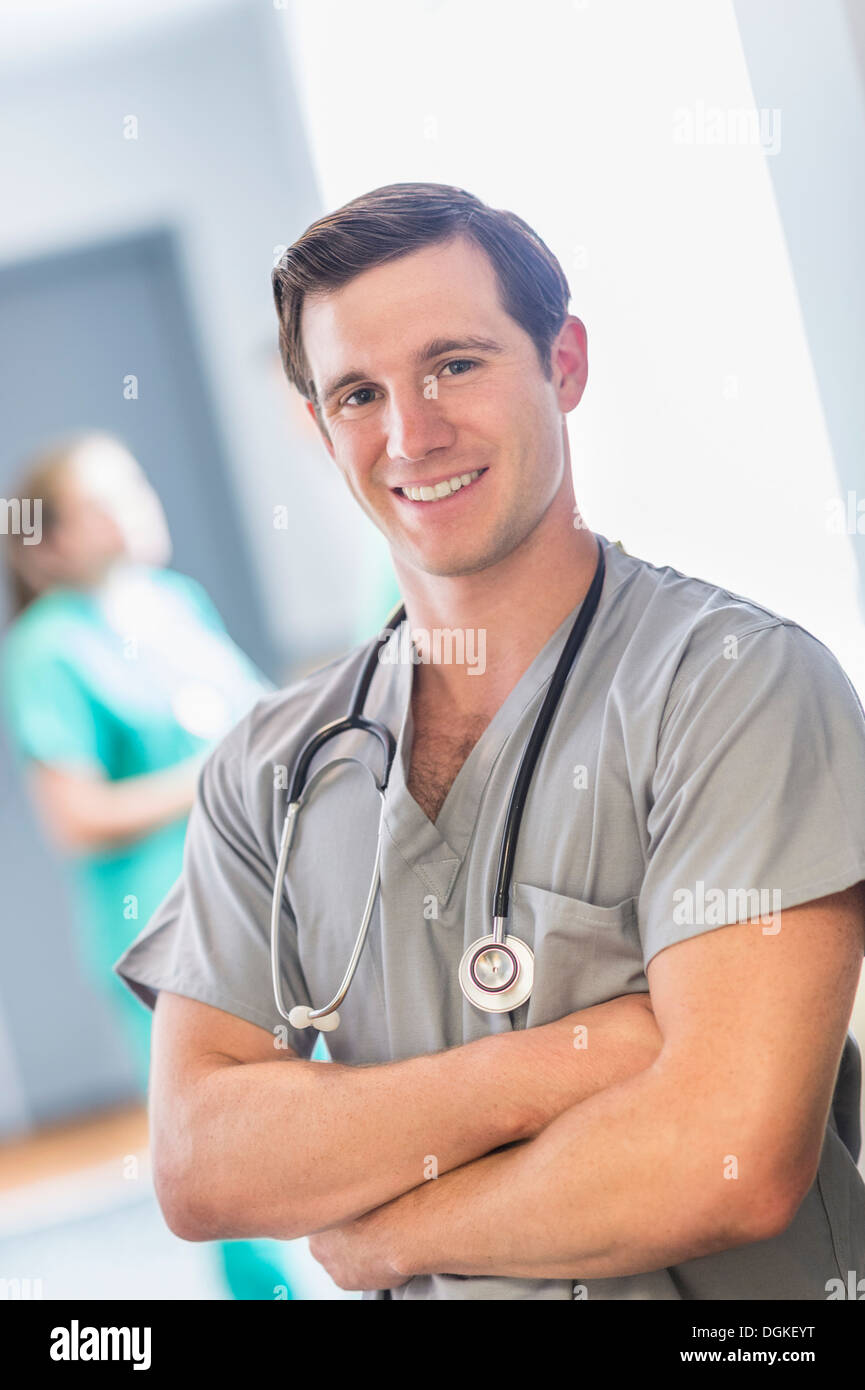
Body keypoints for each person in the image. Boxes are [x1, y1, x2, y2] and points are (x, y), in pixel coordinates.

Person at [114, 183, 865, 1300]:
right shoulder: (268, 768)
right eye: (359, 393)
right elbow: (200, 1164)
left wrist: (393, 1237)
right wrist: (589, 1056)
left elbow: (730, 1161)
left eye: (454, 365)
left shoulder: (735, 686)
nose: (411, 433)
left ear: (563, 363)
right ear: (321, 430)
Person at [1, 432, 296, 1300]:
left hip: (258, 901)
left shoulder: (176, 602)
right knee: (227, 1144)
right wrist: (208, 776)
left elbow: (259, 725)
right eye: (101, 502)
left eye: (132, 486)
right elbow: (76, 818)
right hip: (159, 927)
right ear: (47, 546)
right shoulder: (49, 648)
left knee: (309, 1113)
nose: (132, 507)